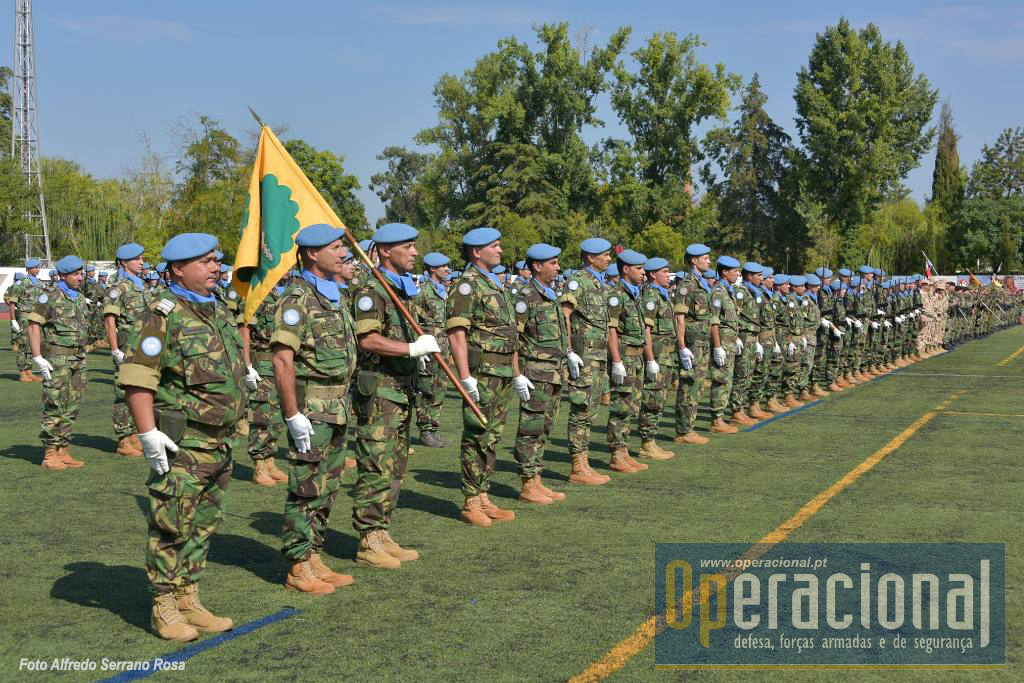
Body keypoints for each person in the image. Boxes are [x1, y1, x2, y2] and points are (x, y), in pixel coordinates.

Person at [118, 232, 244, 642]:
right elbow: (138, 379)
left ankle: (189, 595)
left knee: (203, 524)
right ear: (178, 269)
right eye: (206, 262)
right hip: (184, 443)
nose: (216, 268)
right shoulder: (162, 314)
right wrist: (148, 433)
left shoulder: (217, 308)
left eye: (216, 260)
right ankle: (164, 605)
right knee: (171, 524)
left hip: (219, 442)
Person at [268, 224, 361, 589]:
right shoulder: (297, 299)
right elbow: (282, 360)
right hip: (312, 409)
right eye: (335, 248)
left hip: (338, 405)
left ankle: (314, 554)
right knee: (306, 487)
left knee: (328, 486)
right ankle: (297, 565)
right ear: (311, 254)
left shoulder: (334, 295)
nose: (343, 254)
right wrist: (292, 416)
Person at [350, 223, 438, 562]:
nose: (415, 253)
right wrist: (411, 350)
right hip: (380, 391)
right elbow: (368, 339)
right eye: (409, 247)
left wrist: (418, 353)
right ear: (385, 251)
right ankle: (368, 540)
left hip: (402, 390)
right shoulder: (372, 289)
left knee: (395, 465)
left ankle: (382, 531)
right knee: (376, 463)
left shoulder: (401, 290)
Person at [447, 227, 520, 526]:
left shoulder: (495, 282)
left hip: (501, 372)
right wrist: (465, 377)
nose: (500, 250)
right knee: (477, 436)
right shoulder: (466, 285)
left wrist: (515, 372)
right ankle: (470, 501)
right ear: (477, 251)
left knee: (492, 437)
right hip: (483, 373)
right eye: (495, 246)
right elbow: (457, 333)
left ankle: (483, 494)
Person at [512, 243, 570, 504]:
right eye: (553, 263)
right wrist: (516, 374)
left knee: (544, 427)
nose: (558, 267)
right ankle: (527, 484)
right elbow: (514, 336)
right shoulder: (526, 295)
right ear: (537, 266)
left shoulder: (549, 293)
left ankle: (536, 479)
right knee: (530, 428)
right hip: (534, 373)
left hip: (553, 373)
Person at [27, 255, 91, 470]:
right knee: (54, 404)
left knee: (72, 405)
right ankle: (49, 453)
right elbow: (34, 325)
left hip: (78, 359)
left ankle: (63, 449)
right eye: (76, 274)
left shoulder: (80, 299)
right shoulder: (51, 297)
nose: (81, 278)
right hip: (57, 359)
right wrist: (37, 358)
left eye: (81, 273)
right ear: (62, 275)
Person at [559, 238, 613, 484]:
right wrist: (568, 350)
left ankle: (585, 461)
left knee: (591, 410)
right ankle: (577, 466)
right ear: (591, 257)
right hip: (584, 357)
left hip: (598, 356)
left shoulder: (598, 282)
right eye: (606, 255)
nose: (610, 259)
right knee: (581, 409)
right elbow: (564, 316)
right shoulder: (578, 281)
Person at [240, 274, 289, 488]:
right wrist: (247, 365)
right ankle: (259, 464)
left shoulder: (282, 292)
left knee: (277, 416)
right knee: (262, 414)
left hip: (280, 365)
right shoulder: (256, 291)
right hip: (263, 365)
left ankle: (269, 460)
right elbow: (245, 330)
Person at [103, 242, 149, 457]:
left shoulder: (142, 285)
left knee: (139, 390)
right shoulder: (118, 287)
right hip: (127, 347)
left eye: (141, 258)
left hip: (144, 347)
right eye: (136, 259)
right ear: (123, 263)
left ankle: (133, 435)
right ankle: (123, 438)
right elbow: (110, 320)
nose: (141, 262)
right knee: (123, 393)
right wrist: (114, 350)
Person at [672, 244, 715, 444]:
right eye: (705, 258)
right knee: (688, 386)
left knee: (697, 386)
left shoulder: (701, 284)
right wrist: (681, 348)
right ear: (693, 261)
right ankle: (683, 431)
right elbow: (679, 318)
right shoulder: (687, 284)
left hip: (702, 342)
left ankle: (690, 427)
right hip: (691, 344)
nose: (708, 261)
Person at [636, 257, 676, 460]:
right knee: (652, 399)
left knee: (659, 399)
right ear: (653, 274)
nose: (668, 275)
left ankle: (651, 441)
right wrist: (650, 358)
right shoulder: (651, 295)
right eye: (665, 271)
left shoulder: (662, 294)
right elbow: (647, 330)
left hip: (666, 356)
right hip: (658, 356)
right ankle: (646, 444)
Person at [412, 251, 451, 449]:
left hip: (444, 349)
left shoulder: (445, 290)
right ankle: (425, 430)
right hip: (428, 350)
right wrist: (419, 350)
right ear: (432, 268)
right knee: (426, 390)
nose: (447, 269)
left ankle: (433, 429)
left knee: (440, 390)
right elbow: (414, 322)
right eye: (443, 266)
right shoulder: (423, 292)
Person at [707, 256, 742, 433]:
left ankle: (720, 417)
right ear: (724, 272)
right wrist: (718, 346)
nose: (738, 274)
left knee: (727, 380)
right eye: (735, 271)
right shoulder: (718, 292)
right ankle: (716, 420)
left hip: (729, 342)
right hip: (722, 343)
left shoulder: (728, 291)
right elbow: (714, 321)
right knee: (720, 380)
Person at [15, 258, 45, 381]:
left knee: (32, 343)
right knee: (23, 343)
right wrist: (13, 320)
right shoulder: (21, 282)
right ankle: (22, 372)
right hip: (24, 316)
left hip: (35, 316)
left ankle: (29, 370)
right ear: (30, 269)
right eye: (36, 268)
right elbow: (12, 302)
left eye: (38, 267)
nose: (38, 270)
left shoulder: (39, 283)